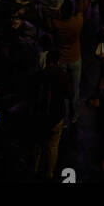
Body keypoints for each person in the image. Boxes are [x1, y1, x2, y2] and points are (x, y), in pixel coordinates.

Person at [32, 46, 73, 180]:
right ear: (58, 60)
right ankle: (49, 173)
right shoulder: (63, 75)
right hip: (57, 115)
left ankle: (35, 170)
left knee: (38, 145)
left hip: (40, 116)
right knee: (53, 145)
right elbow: (70, 94)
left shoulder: (40, 75)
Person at [50, 0, 84, 125]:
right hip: (75, 59)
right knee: (75, 90)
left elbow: (49, 15)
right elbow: (81, 10)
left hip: (62, 60)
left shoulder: (57, 24)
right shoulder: (77, 23)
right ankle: (74, 116)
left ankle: (63, 119)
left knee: (62, 91)